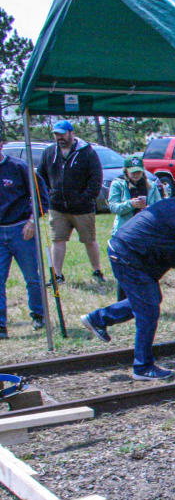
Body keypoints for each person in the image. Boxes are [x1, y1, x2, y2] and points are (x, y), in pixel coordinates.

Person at [80, 180, 175, 381]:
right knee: (147, 308)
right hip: (130, 254)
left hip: (128, 251)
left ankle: (98, 319)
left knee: (146, 302)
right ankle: (142, 367)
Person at [36, 120, 104, 283]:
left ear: (71, 133)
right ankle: (57, 275)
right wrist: (49, 195)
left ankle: (97, 271)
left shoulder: (87, 152)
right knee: (57, 240)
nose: (59, 137)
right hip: (58, 207)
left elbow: (96, 178)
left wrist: (85, 198)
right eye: (56, 134)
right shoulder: (49, 152)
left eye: (62, 133)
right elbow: (41, 176)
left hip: (83, 208)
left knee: (89, 240)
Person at [0, 142, 47, 337]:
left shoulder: (19, 167)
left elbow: (41, 197)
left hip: (21, 230)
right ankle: (1, 325)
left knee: (32, 277)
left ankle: (38, 314)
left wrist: (31, 222)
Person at [107, 156, 162, 237]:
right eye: (133, 172)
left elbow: (160, 207)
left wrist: (150, 209)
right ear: (126, 171)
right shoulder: (117, 184)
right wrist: (131, 204)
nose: (136, 175)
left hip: (147, 229)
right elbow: (114, 208)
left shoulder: (151, 186)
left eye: (138, 172)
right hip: (124, 231)